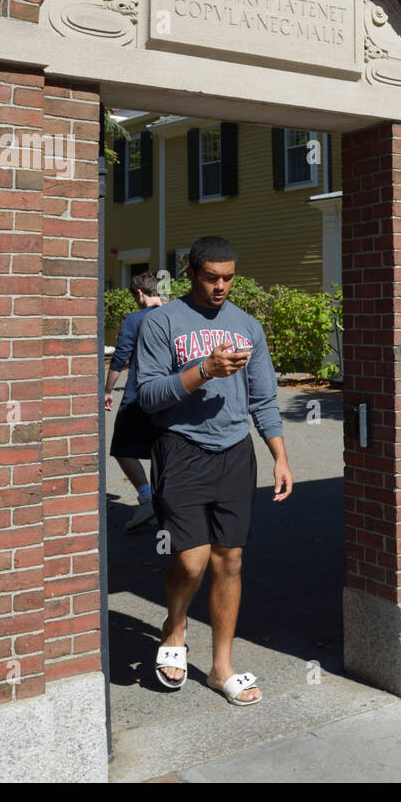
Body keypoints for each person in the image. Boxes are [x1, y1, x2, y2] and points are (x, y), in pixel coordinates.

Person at [133, 235, 293, 706]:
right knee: (191, 559)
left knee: (231, 560)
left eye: (228, 278)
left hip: (234, 453)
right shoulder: (162, 322)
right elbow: (149, 396)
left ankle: (221, 665)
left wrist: (279, 456)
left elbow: (263, 399)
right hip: (180, 448)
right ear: (192, 273)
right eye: (210, 278)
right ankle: (174, 628)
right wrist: (204, 368)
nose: (220, 286)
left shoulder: (247, 326)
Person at [105, 272, 166, 532]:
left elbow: (120, 358)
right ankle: (166, 506)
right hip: (172, 394)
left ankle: (146, 499)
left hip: (139, 395)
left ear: (140, 293)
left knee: (122, 448)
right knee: (163, 450)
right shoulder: (174, 315)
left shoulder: (134, 319)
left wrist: (107, 390)